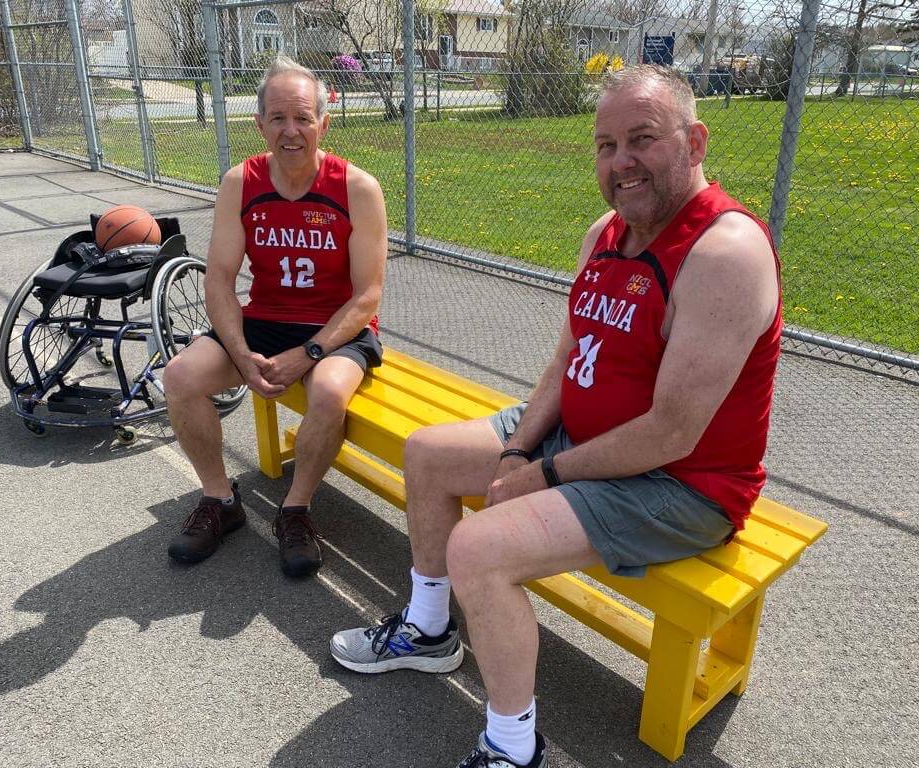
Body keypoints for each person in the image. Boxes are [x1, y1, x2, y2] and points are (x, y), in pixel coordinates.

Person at [330, 65, 782, 767]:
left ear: (694, 143)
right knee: (428, 453)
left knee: (479, 549)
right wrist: (518, 454)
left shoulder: (725, 252)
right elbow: (567, 361)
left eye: (643, 139)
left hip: (681, 485)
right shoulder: (607, 230)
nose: (620, 161)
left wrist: (544, 473)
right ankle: (428, 631)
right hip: (586, 439)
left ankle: (513, 747)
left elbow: (672, 432)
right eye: (605, 145)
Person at [163, 56, 388, 578]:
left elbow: (367, 296)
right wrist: (240, 354)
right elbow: (218, 279)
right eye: (279, 118)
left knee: (328, 391)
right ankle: (220, 501)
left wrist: (308, 353)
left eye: (303, 118)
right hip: (263, 318)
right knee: (180, 377)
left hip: (335, 327)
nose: (292, 131)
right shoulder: (239, 182)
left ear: (323, 124)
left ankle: (297, 508)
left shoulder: (356, 188)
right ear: (260, 123)